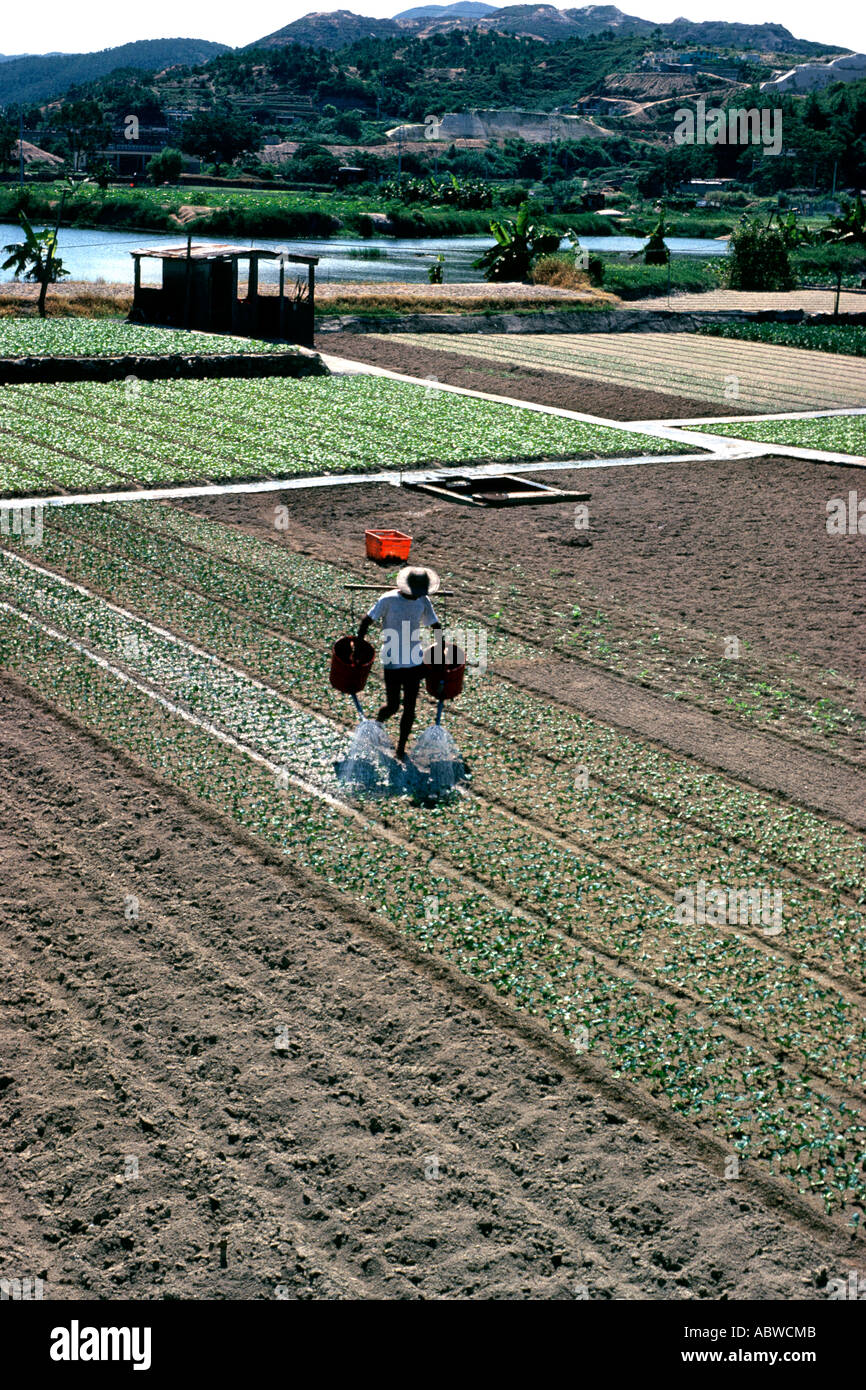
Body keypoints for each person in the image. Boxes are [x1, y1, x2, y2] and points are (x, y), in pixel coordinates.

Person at [356, 566, 442, 761]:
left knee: (410, 708)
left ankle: (401, 748)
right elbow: (366, 621)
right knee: (393, 705)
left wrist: (441, 648)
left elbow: (436, 625)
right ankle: (377, 724)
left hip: (414, 660)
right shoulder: (388, 600)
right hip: (393, 661)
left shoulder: (423, 600)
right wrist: (359, 644)